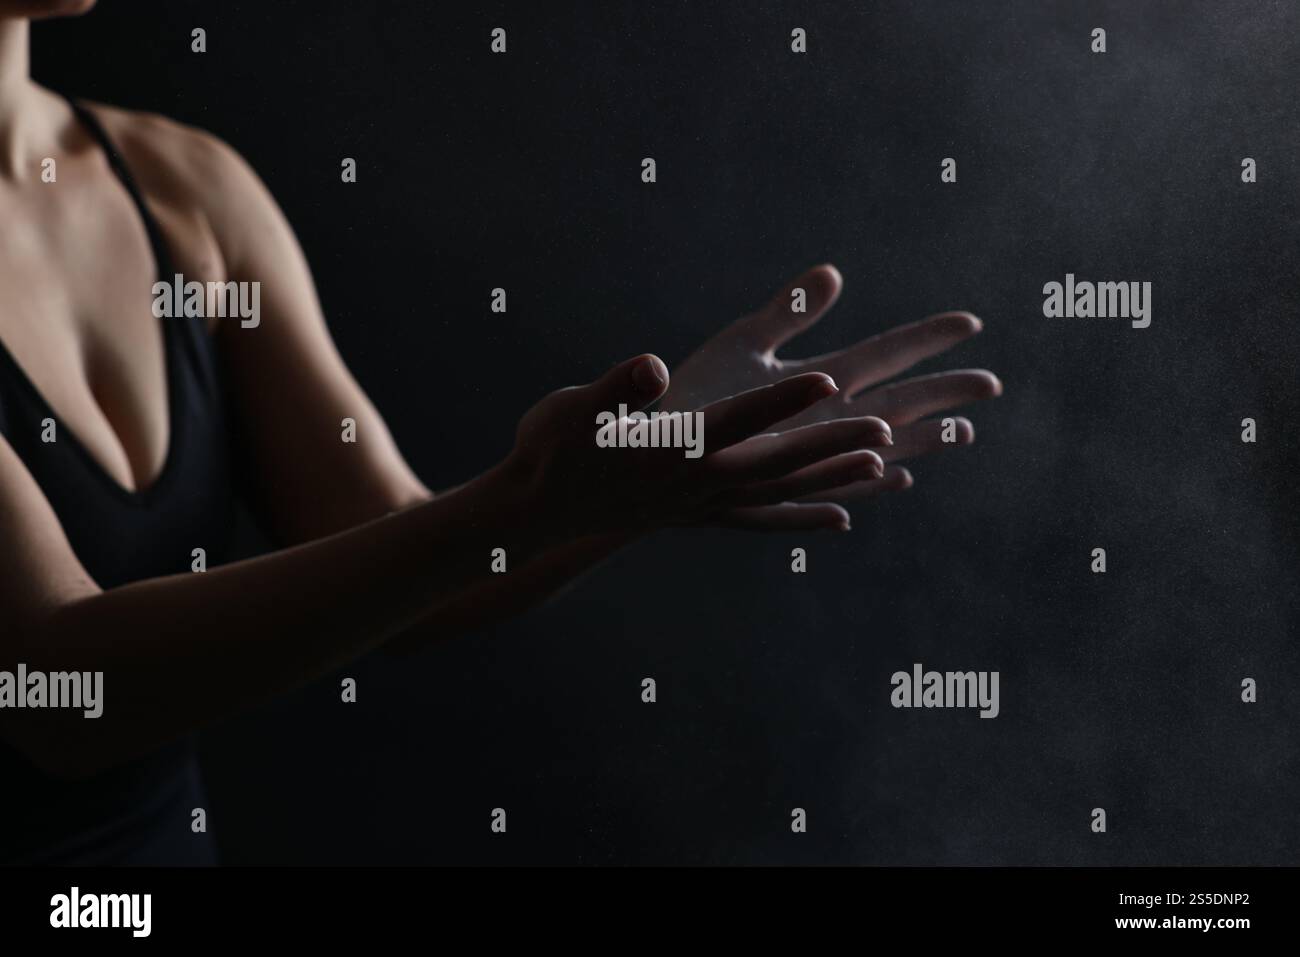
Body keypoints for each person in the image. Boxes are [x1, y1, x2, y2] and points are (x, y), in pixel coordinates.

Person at [0, 0, 1001, 864]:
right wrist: (532, 500)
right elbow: (58, 690)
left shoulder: (186, 191)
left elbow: (397, 546)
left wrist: (638, 478)